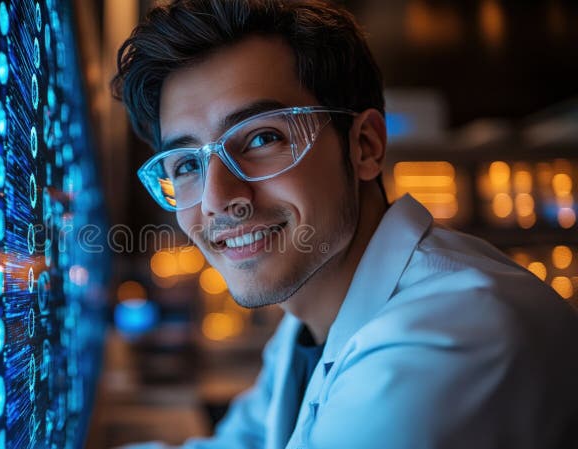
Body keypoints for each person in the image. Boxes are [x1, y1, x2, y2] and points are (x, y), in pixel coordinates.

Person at [111, 1, 578, 447]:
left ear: (366, 146)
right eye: (186, 165)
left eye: (261, 138)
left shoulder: (451, 334)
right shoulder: (306, 324)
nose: (217, 200)